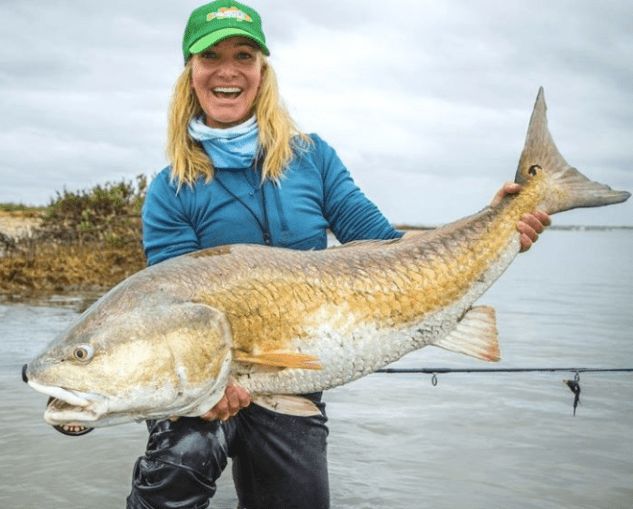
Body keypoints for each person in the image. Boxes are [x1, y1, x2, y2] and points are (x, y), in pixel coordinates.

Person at [130, 1, 551, 508]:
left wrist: (496, 222)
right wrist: (205, 389)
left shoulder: (312, 158)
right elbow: (174, 309)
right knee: (182, 461)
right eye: (210, 56)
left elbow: (388, 250)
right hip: (201, 389)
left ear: (262, 71)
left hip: (295, 387)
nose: (228, 71)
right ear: (190, 73)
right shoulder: (170, 189)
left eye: (243, 55)